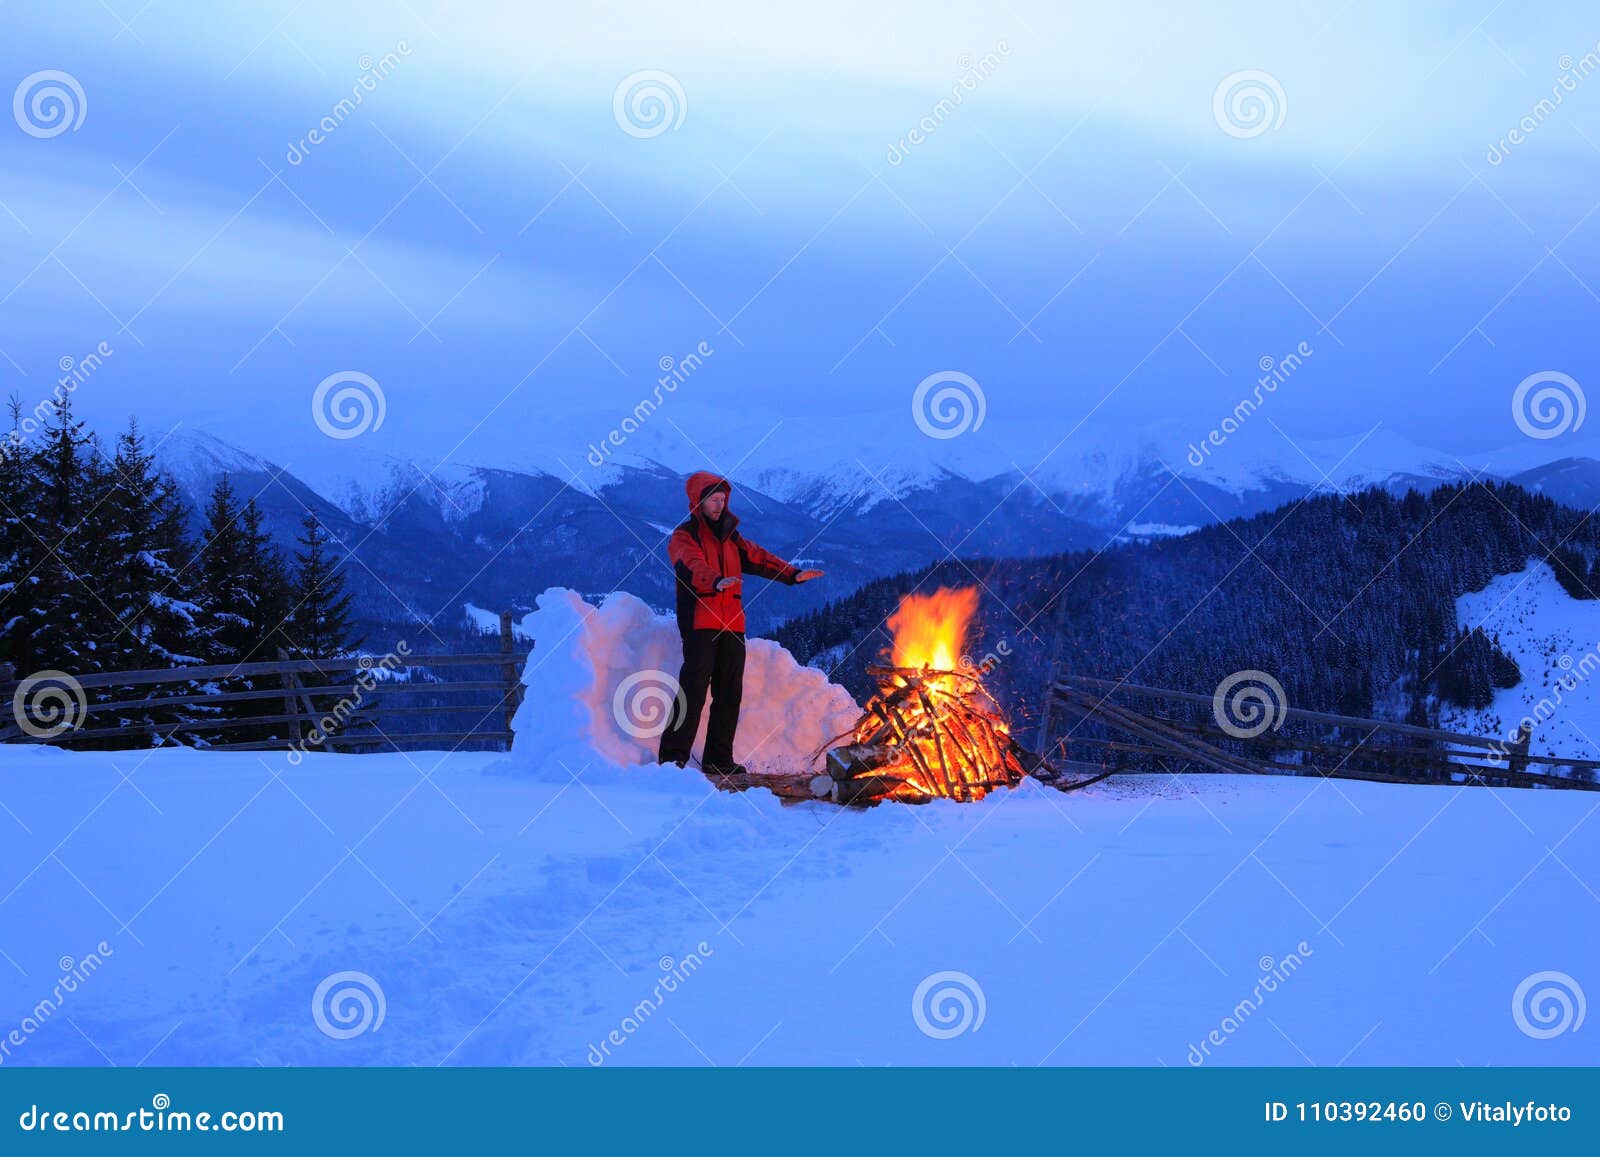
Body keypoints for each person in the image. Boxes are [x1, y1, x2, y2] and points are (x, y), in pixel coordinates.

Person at [658, 471, 822, 775]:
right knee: (692, 691)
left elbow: (758, 558)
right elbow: (691, 565)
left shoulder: (731, 537)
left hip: (732, 625)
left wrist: (791, 574)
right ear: (698, 501)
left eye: (723, 499)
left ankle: (718, 760)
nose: (719, 504)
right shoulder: (685, 536)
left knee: (729, 694)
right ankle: (672, 760)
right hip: (700, 623)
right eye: (713, 499)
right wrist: (716, 581)